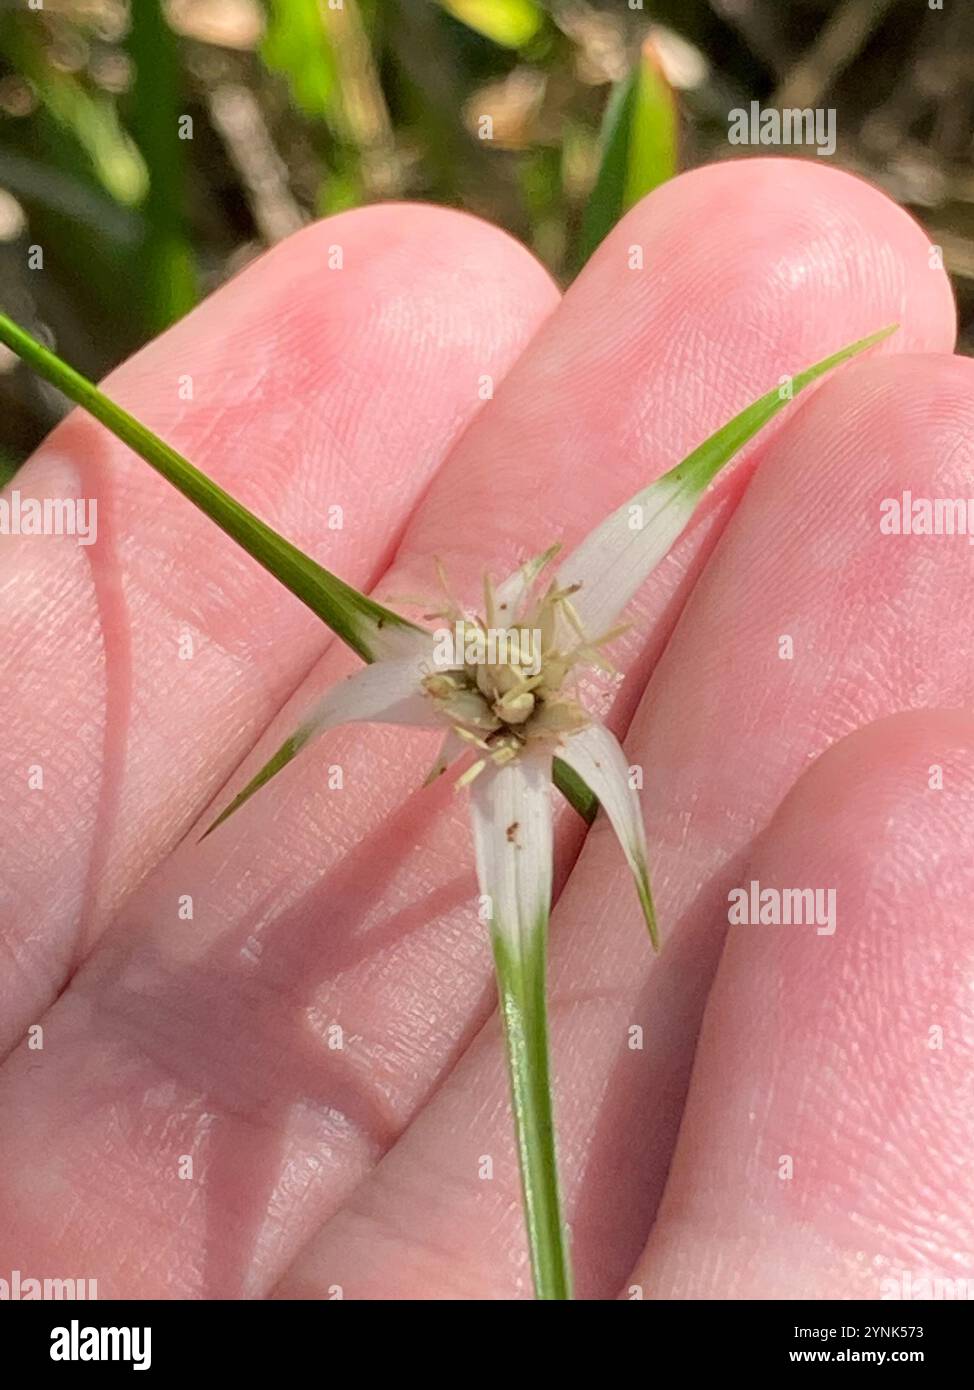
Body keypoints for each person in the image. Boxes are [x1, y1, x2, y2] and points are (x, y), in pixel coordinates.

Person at [0, 157, 970, 1300]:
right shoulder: (451, 689)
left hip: (524, 718)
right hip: (489, 717)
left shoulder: (553, 704)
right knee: (526, 999)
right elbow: (361, 692)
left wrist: (774, 398)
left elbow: (665, 501)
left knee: (529, 1003)